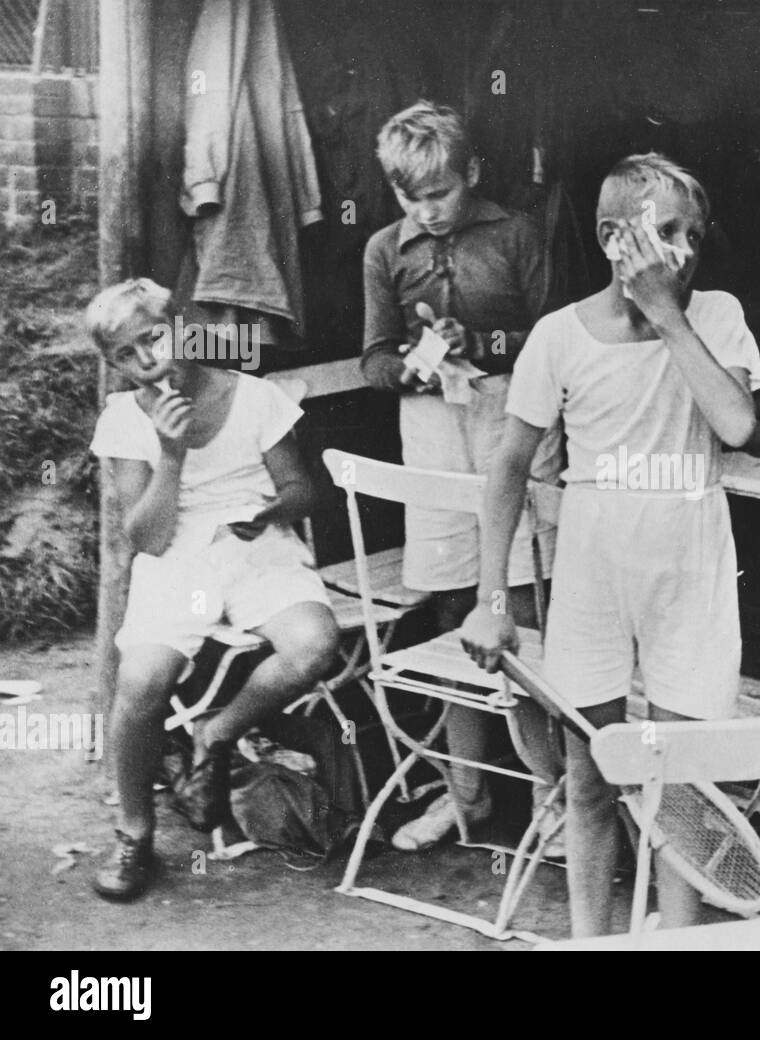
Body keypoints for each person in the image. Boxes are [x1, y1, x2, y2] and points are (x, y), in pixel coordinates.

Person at [460, 153, 760, 936]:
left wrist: (670, 316)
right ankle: (591, 939)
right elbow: (506, 474)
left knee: (681, 784)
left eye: (695, 235)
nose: (685, 251)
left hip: (691, 551)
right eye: (666, 232)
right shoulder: (559, 336)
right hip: (595, 558)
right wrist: (492, 602)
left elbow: (734, 425)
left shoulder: (716, 315)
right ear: (611, 237)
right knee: (590, 774)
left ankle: (678, 938)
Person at [86, 279, 340, 900]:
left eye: (155, 337)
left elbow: (305, 492)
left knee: (314, 645)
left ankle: (217, 732)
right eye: (126, 354)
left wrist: (271, 510)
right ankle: (133, 833)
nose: (147, 359)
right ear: (114, 365)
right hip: (177, 555)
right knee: (141, 679)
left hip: (254, 543)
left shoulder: (252, 396)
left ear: (183, 324)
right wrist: (169, 455)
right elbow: (144, 537)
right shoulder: (123, 418)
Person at [362, 101, 564, 852]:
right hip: (432, 429)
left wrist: (479, 338)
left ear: (470, 173)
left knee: (522, 608)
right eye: (410, 197)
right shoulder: (386, 249)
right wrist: (408, 369)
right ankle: (467, 795)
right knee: (455, 610)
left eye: (439, 193)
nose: (427, 210)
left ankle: (555, 795)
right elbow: (373, 357)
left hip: (512, 416)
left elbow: (551, 336)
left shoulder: (515, 233)